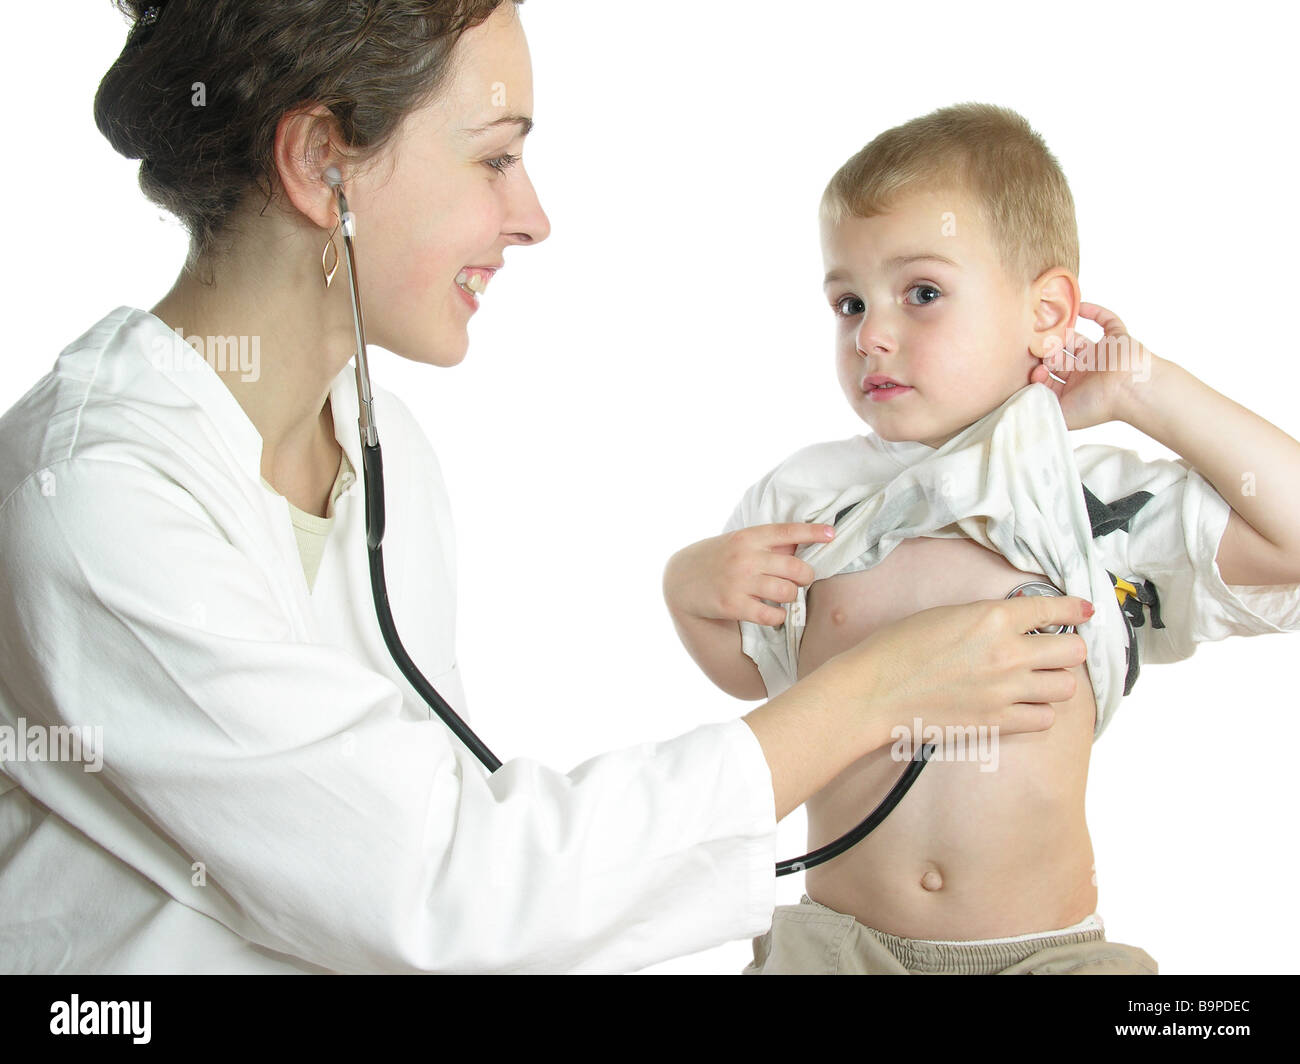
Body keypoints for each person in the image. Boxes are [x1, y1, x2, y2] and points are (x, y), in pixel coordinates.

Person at [0, 5, 1091, 975]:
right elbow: (440, 885)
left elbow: (449, 842)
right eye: (495, 159)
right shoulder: (92, 497)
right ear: (322, 161)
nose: (533, 216)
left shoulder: (381, 448)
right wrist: (872, 690)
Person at [663, 103, 1300, 975]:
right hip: (833, 944)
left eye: (921, 293)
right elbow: (755, 672)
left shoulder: (1089, 502)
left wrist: (1142, 389)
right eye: (848, 302)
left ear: (1048, 313)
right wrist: (689, 590)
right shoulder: (809, 495)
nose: (871, 334)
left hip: (1043, 957)